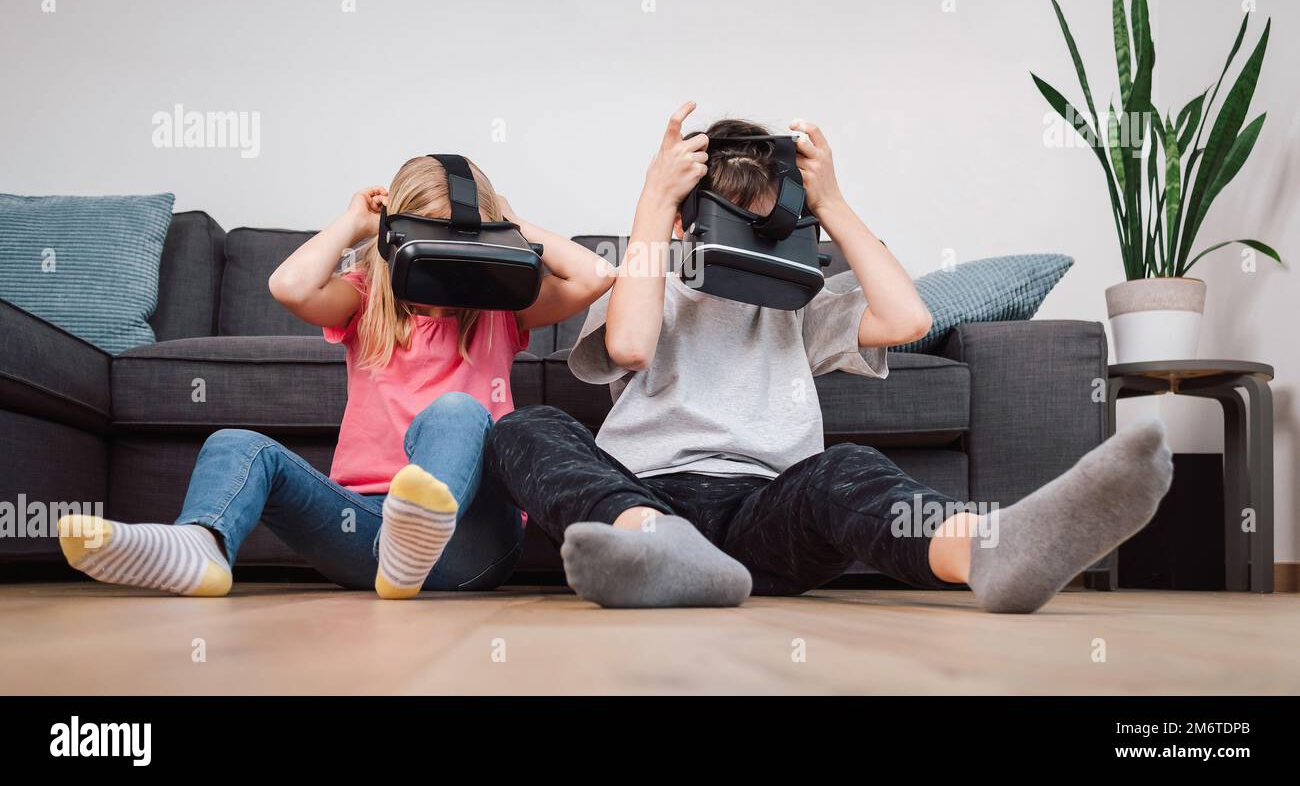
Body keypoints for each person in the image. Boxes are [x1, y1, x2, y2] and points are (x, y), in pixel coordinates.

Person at [486, 104, 1172, 612]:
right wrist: (655, 198)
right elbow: (630, 344)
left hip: (765, 511)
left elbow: (909, 318)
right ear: (682, 225)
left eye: (765, 226)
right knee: (524, 427)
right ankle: (660, 552)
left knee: (846, 467)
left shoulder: (799, 309)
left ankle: (988, 550)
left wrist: (833, 202)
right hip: (645, 500)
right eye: (731, 222)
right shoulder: (649, 283)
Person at [58, 155, 614, 599]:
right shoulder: (363, 299)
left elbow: (595, 273)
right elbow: (289, 287)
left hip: (469, 538)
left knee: (457, 412)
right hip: (365, 534)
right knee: (236, 445)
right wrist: (353, 222)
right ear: (397, 243)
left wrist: (508, 227)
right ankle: (200, 544)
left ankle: (416, 532)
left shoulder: (501, 312)